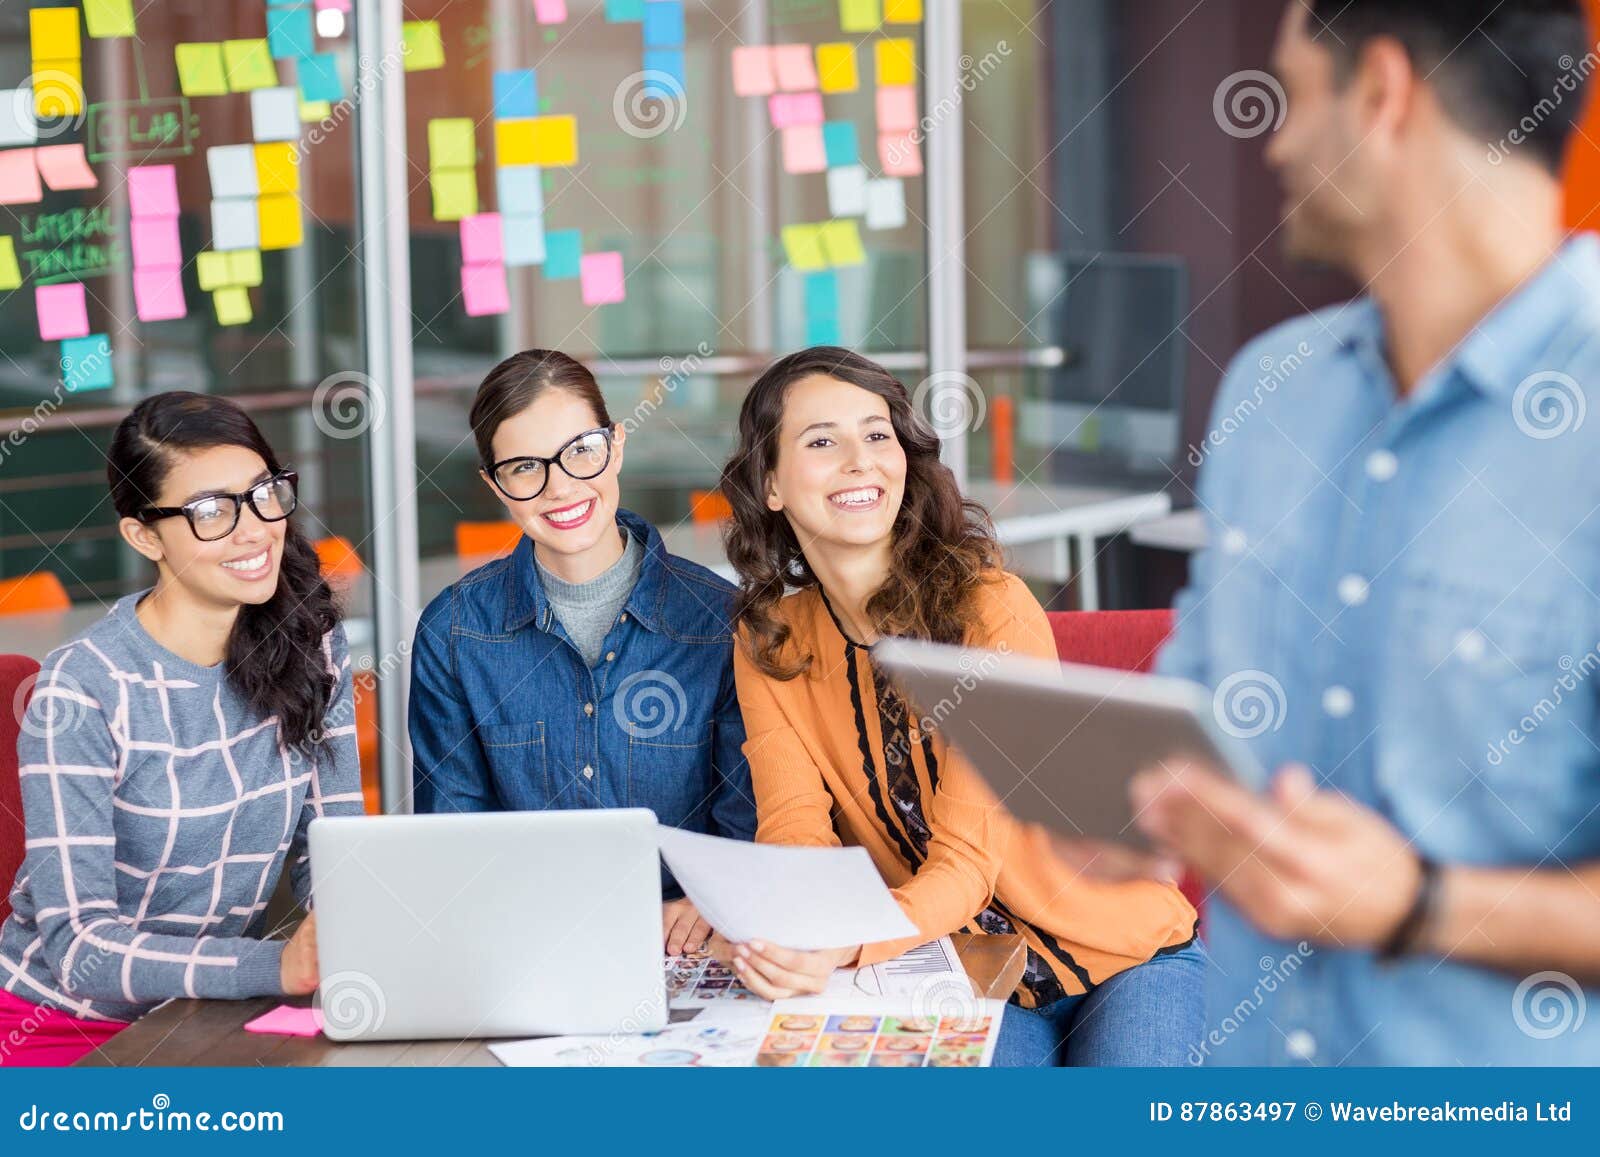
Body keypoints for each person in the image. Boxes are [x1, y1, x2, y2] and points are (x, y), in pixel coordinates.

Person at [1129, 0, 1600, 1064]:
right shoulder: (1270, 390)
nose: (1273, 137)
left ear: (1382, 91)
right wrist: (1124, 806)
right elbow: (1194, 710)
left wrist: (1418, 902)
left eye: (1293, 95)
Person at [714, 347, 1203, 1066]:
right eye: (822, 440)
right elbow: (794, 826)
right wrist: (797, 924)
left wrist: (841, 940)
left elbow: (968, 864)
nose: (860, 460)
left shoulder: (991, 608)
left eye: (877, 434)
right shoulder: (771, 639)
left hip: (1131, 954)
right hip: (964, 970)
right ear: (771, 483)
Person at [0, 392, 363, 1066]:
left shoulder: (310, 641)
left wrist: (351, 927)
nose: (254, 530)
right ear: (144, 535)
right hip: (57, 1026)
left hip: (200, 1015)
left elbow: (334, 848)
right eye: (210, 512)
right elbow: (80, 948)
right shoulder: (82, 687)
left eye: (263, 494)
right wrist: (275, 964)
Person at [409, 350, 757, 955]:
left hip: (692, 944)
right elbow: (454, 843)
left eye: (581, 451)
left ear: (615, 446)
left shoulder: (720, 620)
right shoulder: (454, 633)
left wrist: (708, 903)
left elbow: (747, 821)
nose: (561, 485)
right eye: (524, 467)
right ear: (495, 485)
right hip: (530, 945)